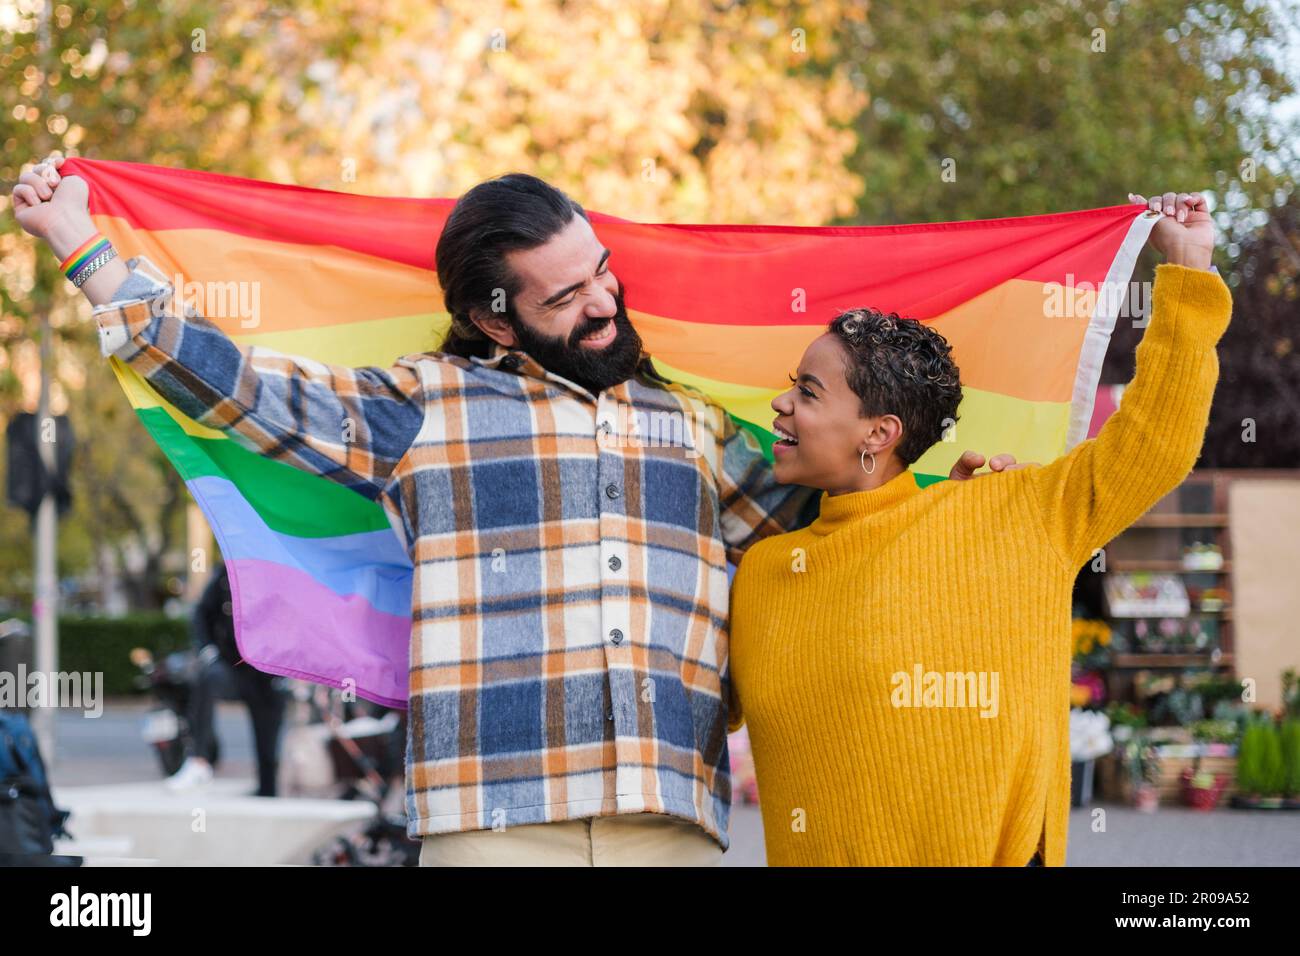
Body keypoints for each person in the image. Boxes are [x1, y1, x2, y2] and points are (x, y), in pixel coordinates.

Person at [13, 156, 1011, 866]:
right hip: (491, 820)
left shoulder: (698, 427)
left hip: (665, 818)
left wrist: (950, 509)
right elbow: (240, 389)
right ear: (494, 314)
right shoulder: (423, 406)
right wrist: (78, 243)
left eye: (602, 269)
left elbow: (848, 514)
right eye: (568, 294)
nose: (605, 300)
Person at [727, 190, 1232, 866]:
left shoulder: (1012, 512)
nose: (780, 404)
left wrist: (1188, 271)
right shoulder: (762, 572)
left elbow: (1159, 443)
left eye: (809, 392)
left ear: (879, 433)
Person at [166, 561, 289, 797]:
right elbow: (202, 612)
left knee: (268, 752)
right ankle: (200, 761)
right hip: (234, 666)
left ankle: (267, 792)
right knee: (207, 679)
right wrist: (208, 651)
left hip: (270, 675)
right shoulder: (228, 572)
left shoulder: (280, 574)